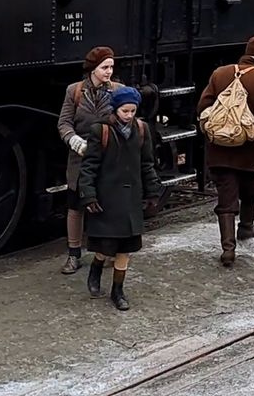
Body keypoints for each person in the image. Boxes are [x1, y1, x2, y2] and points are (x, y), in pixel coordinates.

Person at [77, 87, 162, 311]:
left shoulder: (142, 130)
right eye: (125, 110)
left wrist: (153, 192)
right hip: (107, 199)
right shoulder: (100, 131)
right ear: (116, 109)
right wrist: (88, 194)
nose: (129, 115)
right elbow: (89, 166)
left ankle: (118, 290)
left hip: (130, 200)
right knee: (106, 247)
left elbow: (147, 164)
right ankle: (96, 267)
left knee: (125, 249)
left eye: (133, 110)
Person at [197, 35, 254, 267]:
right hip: (249, 150)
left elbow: (203, 106)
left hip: (219, 150)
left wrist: (216, 132)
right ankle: (246, 228)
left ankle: (228, 250)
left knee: (226, 197)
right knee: (252, 191)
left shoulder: (219, 73)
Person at [56, 46, 121, 274]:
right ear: (93, 69)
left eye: (111, 67)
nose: (109, 71)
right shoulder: (74, 92)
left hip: (106, 156)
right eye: (105, 67)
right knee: (75, 205)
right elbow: (64, 122)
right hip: (80, 158)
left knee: (108, 204)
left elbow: (125, 122)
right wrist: (74, 141)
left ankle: (107, 251)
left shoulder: (118, 91)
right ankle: (74, 254)